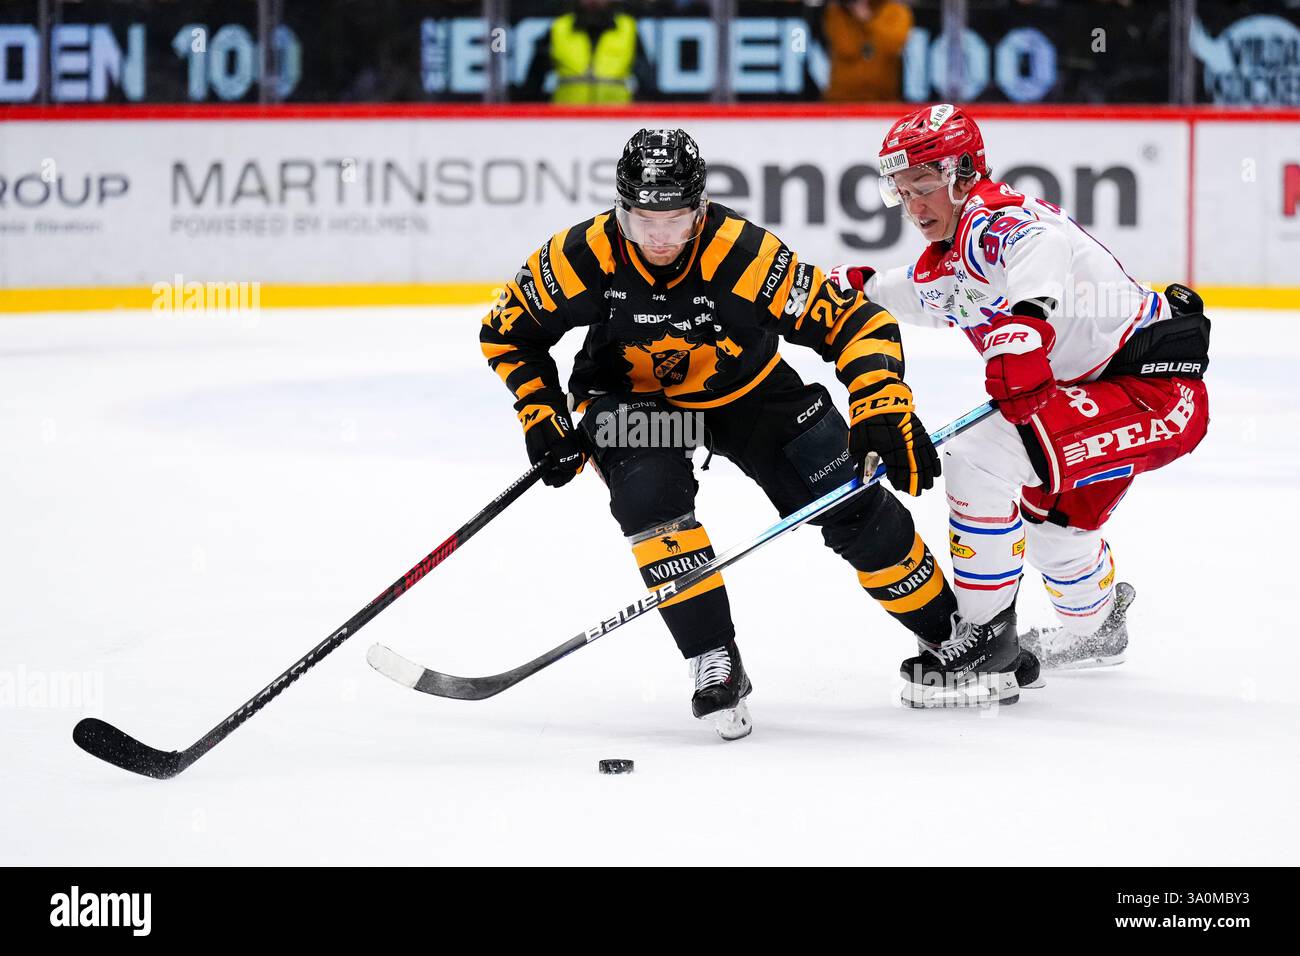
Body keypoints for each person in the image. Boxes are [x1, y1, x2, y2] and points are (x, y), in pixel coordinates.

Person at [480, 128, 960, 739]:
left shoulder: (743, 253)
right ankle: (713, 658)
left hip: (749, 393)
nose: (658, 238)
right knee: (650, 503)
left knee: (853, 503)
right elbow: (508, 331)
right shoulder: (582, 254)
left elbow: (854, 320)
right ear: (620, 210)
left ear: (700, 212)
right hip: (636, 402)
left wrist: (882, 405)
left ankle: (954, 634)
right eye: (642, 219)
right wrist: (540, 414)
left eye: (676, 220)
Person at [830, 104, 1211, 706]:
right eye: (903, 192)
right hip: (1088, 398)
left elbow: (1038, 247)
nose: (914, 206)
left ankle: (986, 642)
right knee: (1057, 543)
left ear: (962, 173)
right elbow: (906, 292)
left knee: (977, 457)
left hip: (1155, 392)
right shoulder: (953, 259)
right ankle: (1103, 625)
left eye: (925, 187)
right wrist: (840, 289)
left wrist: (1027, 324)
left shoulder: (997, 220)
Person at [520, 0, 653, 104]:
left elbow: (646, 82)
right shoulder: (559, 28)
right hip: (565, 121)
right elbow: (533, 83)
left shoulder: (627, 29)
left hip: (616, 121)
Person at [823, 0, 914, 103]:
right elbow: (846, 49)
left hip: (884, 99)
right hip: (842, 99)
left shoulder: (896, 9)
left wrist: (867, 17)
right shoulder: (838, 10)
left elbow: (892, 46)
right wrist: (853, 10)